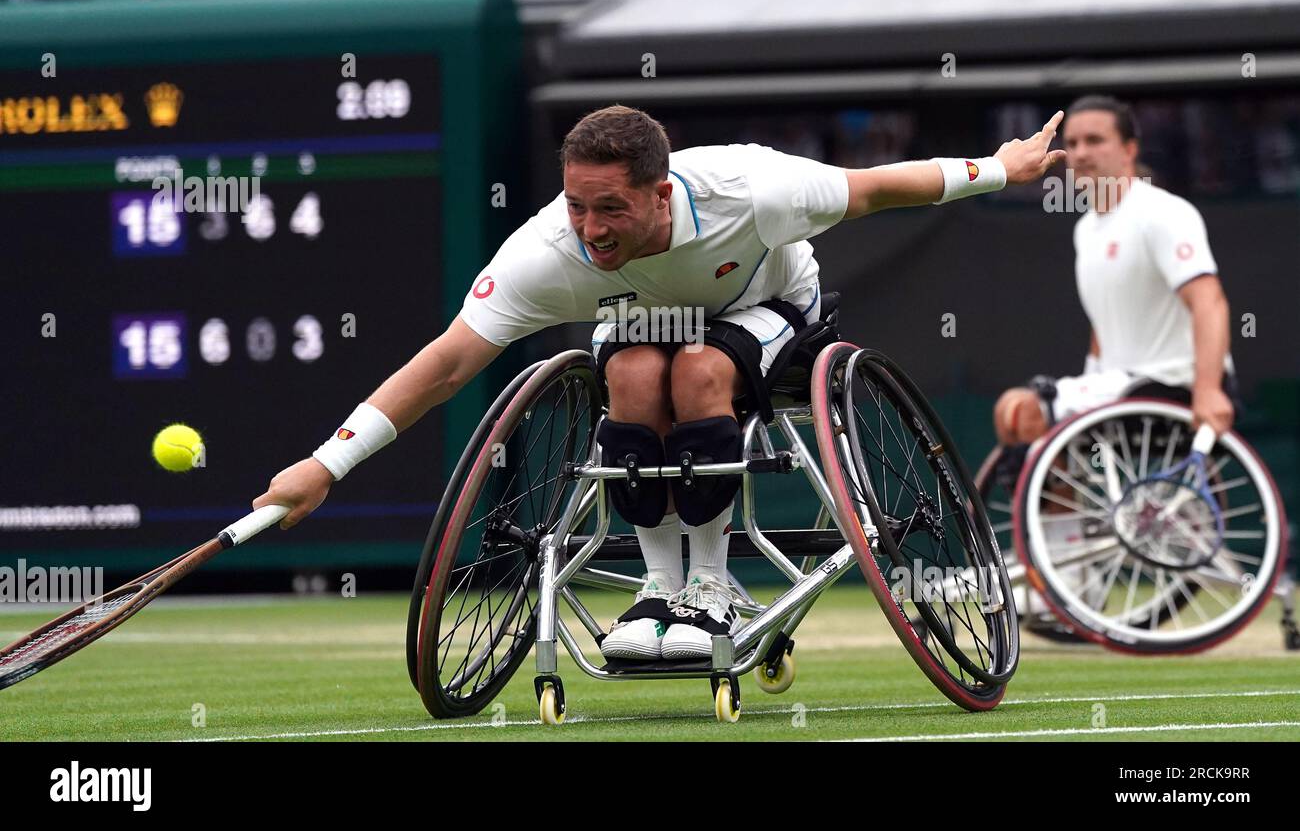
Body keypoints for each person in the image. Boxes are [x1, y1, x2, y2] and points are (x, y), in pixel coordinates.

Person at [253, 103, 1064, 661]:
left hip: (765, 302)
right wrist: (325, 465)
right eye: (577, 205)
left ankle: (712, 588)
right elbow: (447, 363)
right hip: (646, 324)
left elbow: (886, 184)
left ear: (661, 191)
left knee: (702, 368)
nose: (592, 229)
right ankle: (658, 588)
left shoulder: (755, 190)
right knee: (639, 372)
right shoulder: (550, 252)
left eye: (611, 208)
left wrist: (999, 164)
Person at [992, 95, 1236, 453]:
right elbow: (1103, 326)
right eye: (1072, 143)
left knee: (1021, 411)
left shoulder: (1162, 213)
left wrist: (1209, 389)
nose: (1081, 153)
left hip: (1172, 383)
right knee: (1017, 427)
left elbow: (1209, 302)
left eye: (1095, 140)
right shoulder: (1086, 230)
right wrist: (1091, 380)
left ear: (1129, 150)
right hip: (1119, 385)